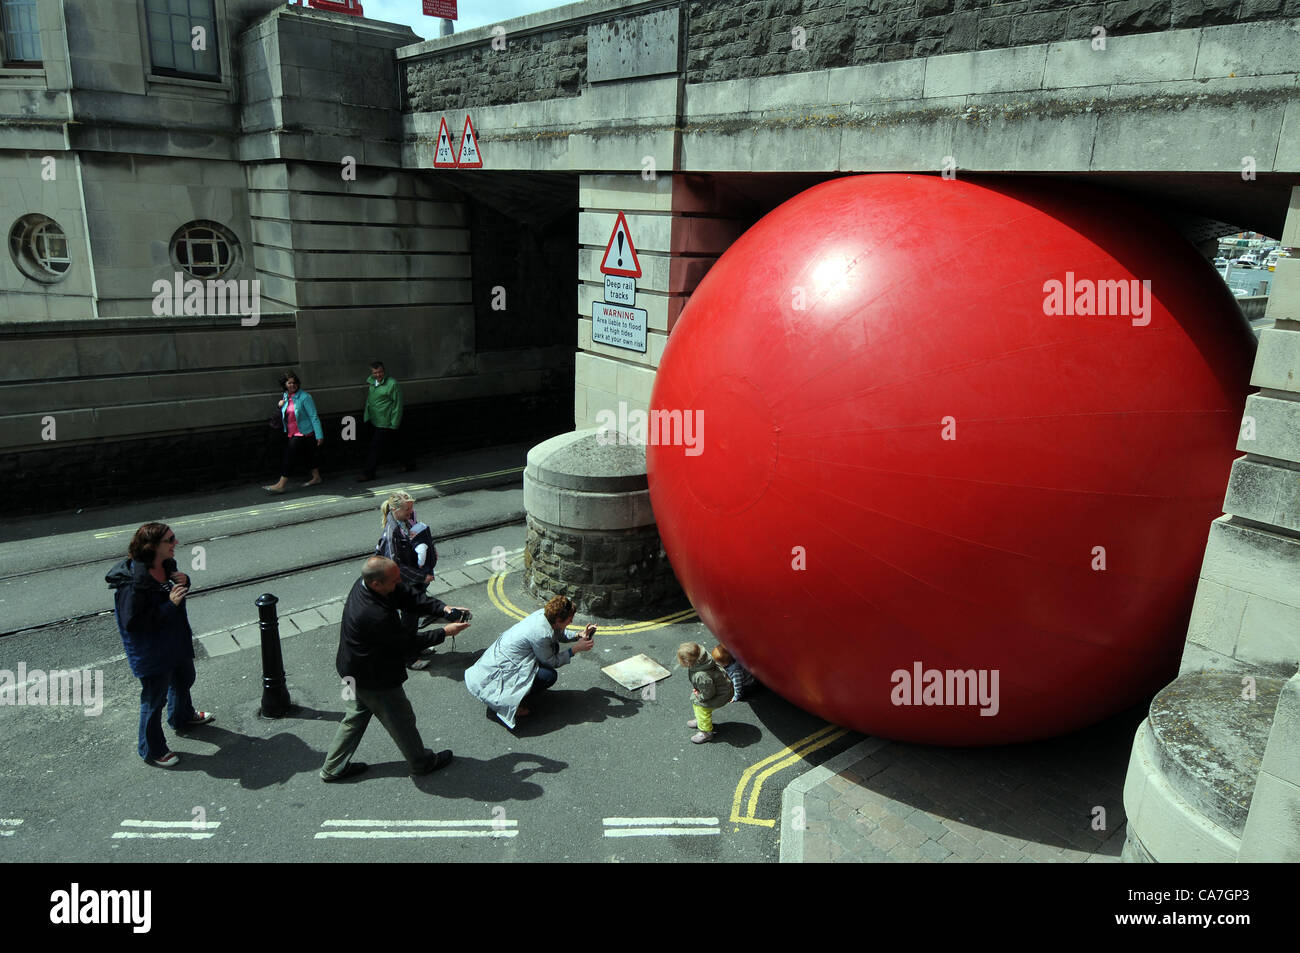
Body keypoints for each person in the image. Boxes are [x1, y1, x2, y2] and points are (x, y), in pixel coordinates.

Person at [319, 556, 471, 782]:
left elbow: (406, 594)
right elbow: (405, 643)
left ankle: (332, 768)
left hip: (352, 668)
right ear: (376, 583)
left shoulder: (366, 585)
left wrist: (443, 608)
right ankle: (421, 763)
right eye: (394, 580)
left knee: (356, 716)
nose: (399, 582)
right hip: (374, 677)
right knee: (401, 720)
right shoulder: (373, 614)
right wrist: (444, 632)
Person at [105, 523, 214, 767]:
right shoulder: (132, 585)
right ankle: (152, 749)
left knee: (184, 679)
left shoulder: (167, 565)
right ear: (152, 546)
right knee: (154, 700)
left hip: (175, 640)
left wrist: (185, 581)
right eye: (170, 540)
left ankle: (181, 717)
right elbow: (133, 623)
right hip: (151, 651)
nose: (176, 543)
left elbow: (173, 593)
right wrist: (169, 606)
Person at [466, 595, 595, 731]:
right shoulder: (541, 634)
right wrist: (575, 649)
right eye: (570, 619)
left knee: (551, 653)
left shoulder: (544, 615)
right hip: (502, 669)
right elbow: (552, 662)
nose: (571, 622)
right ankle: (511, 703)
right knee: (549, 675)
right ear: (558, 620)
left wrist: (578, 635)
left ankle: (517, 693)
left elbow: (559, 632)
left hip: (501, 659)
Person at [376, 491, 461, 670]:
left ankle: (416, 647)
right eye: (407, 509)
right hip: (405, 584)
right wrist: (422, 576)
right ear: (394, 509)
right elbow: (395, 566)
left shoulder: (407, 520)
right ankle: (410, 658)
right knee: (409, 622)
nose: (411, 511)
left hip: (414, 583)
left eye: (412, 507)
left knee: (413, 620)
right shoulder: (391, 533)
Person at [265, 370, 324, 493]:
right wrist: (280, 406)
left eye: (294, 382)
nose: (292, 385)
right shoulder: (286, 397)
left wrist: (319, 435)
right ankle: (317, 477)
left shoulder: (305, 397)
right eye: (289, 383)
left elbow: (313, 416)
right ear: (285, 385)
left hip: (304, 432)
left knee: (289, 456)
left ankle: (281, 485)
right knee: (309, 455)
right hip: (292, 432)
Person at [357, 360, 413, 482]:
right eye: (375, 373)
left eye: (380, 372)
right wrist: (367, 415)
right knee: (397, 443)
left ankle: (368, 473)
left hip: (386, 421)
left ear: (384, 371)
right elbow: (370, 400)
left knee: (375, 447)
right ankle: (409, 464)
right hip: (375, 419)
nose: (378, 375)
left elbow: (398, 404)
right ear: (372, 373)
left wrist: (394, 423)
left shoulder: (392, 384)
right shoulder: (372, 382)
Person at [678, 642, 732, 743]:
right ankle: (700, 720)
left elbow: (709, 693)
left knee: (700, 707)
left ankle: (706, 733)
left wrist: (700, 695)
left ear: (687, 662)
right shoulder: (703, 659)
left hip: (720, 695)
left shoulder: (701, 675)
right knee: (697, 702)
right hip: (722, 689)